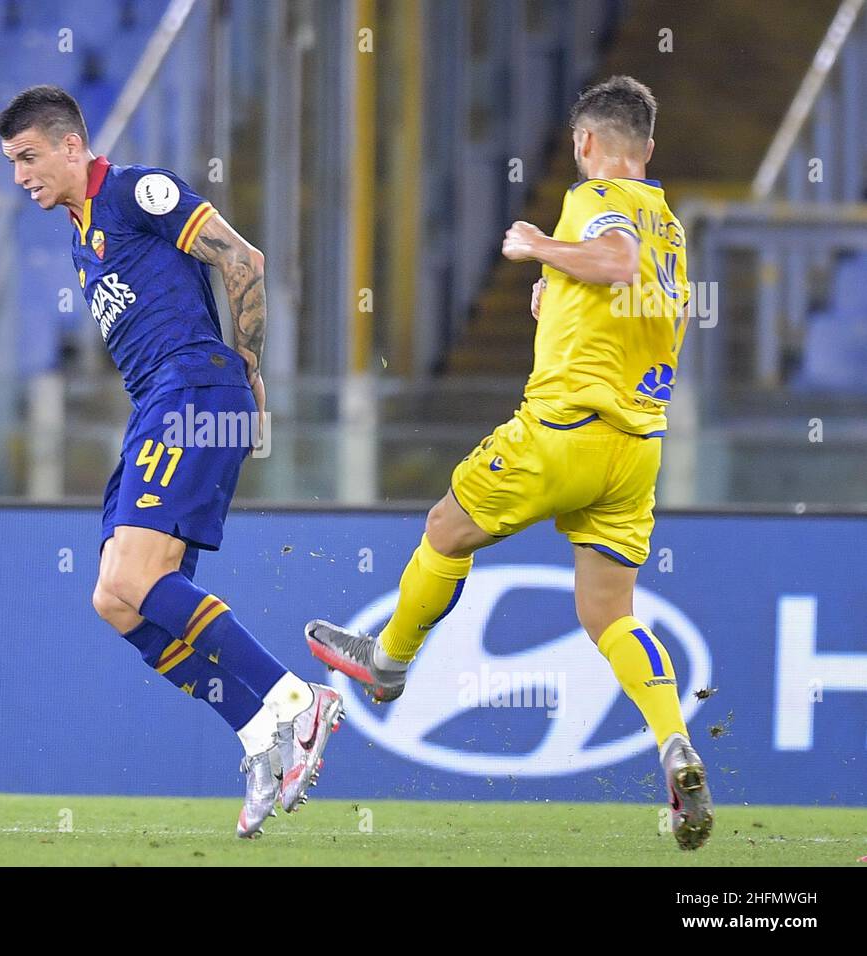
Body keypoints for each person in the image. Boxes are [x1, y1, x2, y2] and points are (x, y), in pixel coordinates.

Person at [306, 76, 713, 850]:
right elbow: (646, 299)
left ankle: (388, 664)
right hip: (634, 452)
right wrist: (557, 291)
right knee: (609, 615)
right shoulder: (670, 223)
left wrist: (539, 247)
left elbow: (615, 263)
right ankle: (672, 742)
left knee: (445, 527)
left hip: (564, 431)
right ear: (650, 148)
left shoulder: (598, 197)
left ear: (586, 143)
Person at [0, 85, 342, 839]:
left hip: (194, 390)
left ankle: (295, 701)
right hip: (159, 404)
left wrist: (246, 365)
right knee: (114, 600)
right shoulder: (83, 234)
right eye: (11, 163)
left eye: (28, 157)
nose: (21, 175)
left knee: (134, 579)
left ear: (70, 146)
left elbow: (242, 260)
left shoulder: (131, 192)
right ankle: (258, 731)